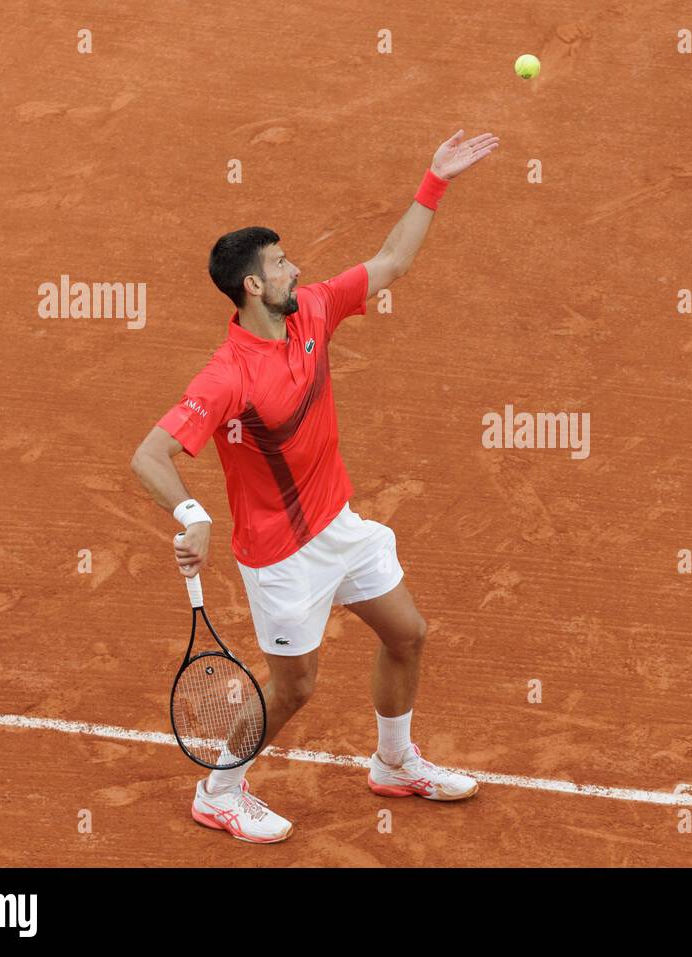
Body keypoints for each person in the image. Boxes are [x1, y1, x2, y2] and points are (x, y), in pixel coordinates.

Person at [130, 130, 499, 843]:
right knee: (294, 686)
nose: (296, 267)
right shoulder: (228, 374)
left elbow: (392, 260)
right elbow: (150, 453)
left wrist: (434, 179)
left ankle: (393, 762)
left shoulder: (315, 311)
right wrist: (191, 511)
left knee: (407, 634)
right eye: (280, 262)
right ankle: (219, 791)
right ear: (253, 286)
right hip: (279, 556)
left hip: (338, 526)